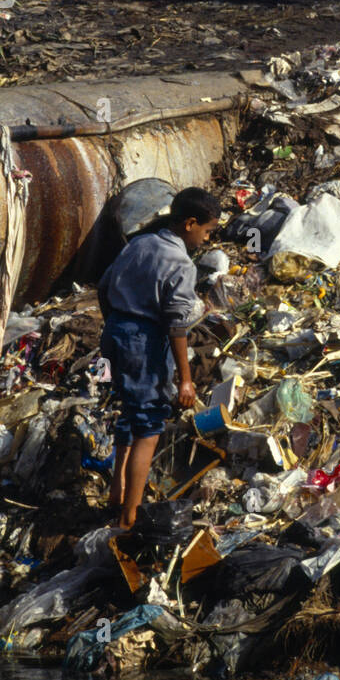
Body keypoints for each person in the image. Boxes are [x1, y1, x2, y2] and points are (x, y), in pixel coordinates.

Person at [99, 187, 220, 530]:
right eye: (207, 231)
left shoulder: (138, 243)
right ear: (190, 223)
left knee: (127, 407)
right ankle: (128, 519)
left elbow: (103, 287)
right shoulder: (181, 263)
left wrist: (115, 324)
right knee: (149, 427)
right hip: (143, 343)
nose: (206, 238)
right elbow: (177, 326)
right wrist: (185, 379)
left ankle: (116, 492)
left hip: (114, 335)